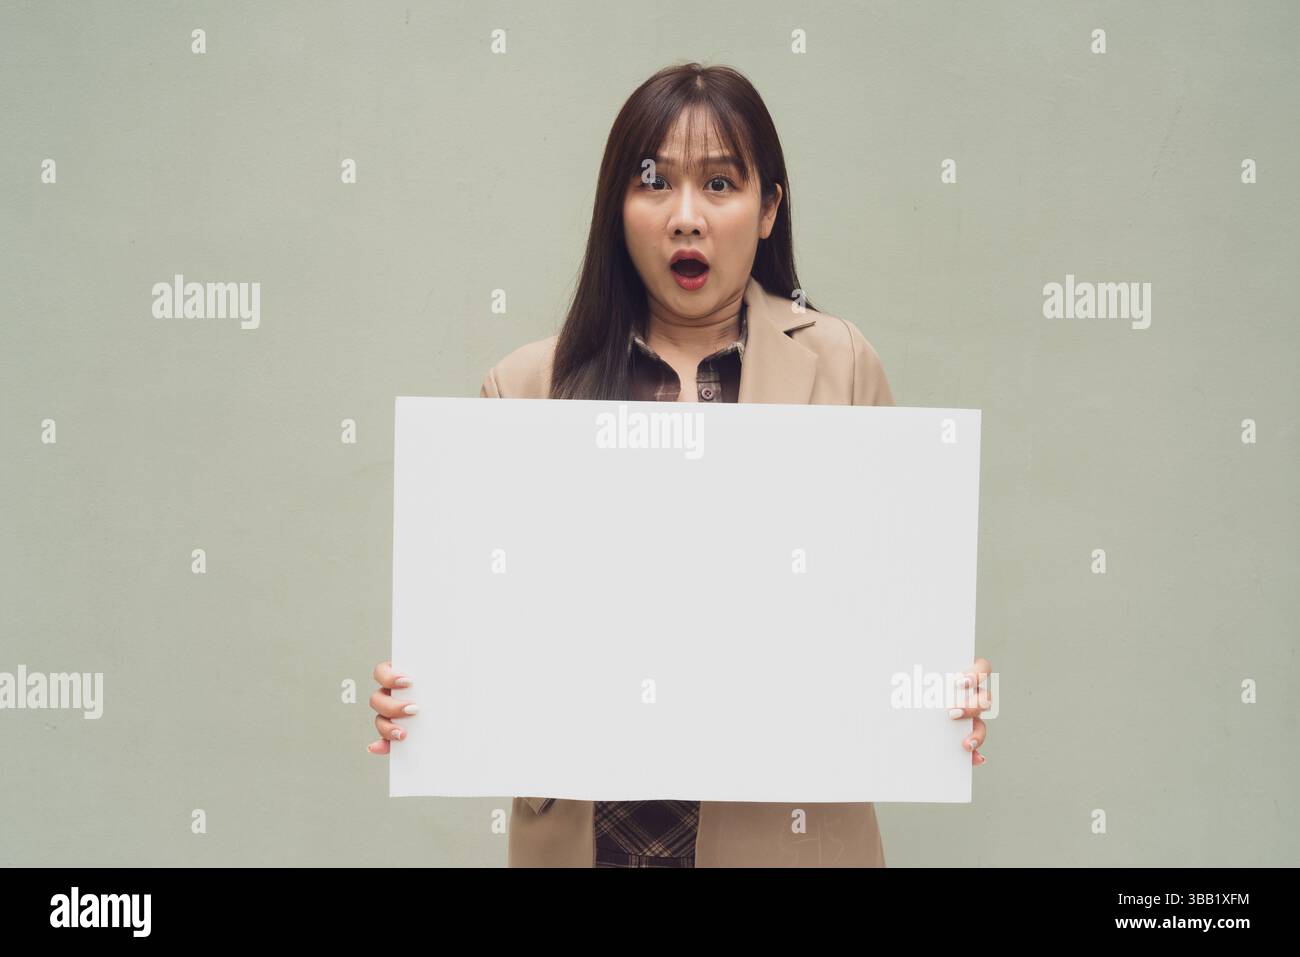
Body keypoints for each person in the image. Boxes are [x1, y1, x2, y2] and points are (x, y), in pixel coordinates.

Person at [369, 62, 992, 867]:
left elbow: (886, 607)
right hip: (593, 842)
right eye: (654, 182)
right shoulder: (526, 386)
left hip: (791, 840)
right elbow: (485, 634)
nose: (686, 217)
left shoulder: (841, 365)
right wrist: (418, 699)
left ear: (769, 208)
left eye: (722, 184)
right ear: (616, 207)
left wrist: (939, 688)